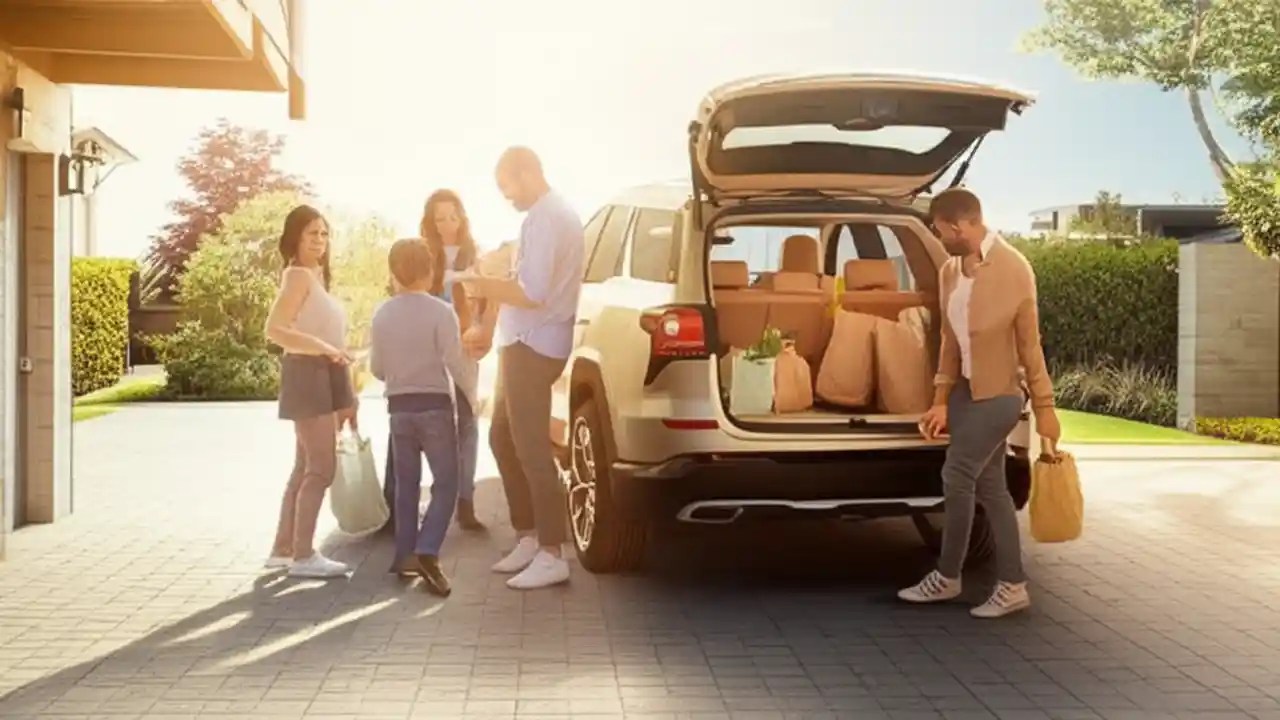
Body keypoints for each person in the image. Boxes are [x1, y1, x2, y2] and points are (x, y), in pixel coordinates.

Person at [899, 187, 1061, 618]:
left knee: (956, 475)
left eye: (940, 231)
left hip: (1000, 395)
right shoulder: (950, 270)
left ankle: (948, 577)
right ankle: (1012, 585)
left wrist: (1045, 408)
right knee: (991, 488)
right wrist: (940, 400)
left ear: (960, 226)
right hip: (965, 394)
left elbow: (1030, 345)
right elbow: (949, 343)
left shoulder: (1014, 268)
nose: (938, 238)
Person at [463, 146, 583, 590]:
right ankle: (530, 537)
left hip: (533, 347)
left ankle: (552, 553)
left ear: (528, 173)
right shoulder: (545, 216)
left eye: (507, 186)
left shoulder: (546, 218)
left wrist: (481, 284)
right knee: (502, 437)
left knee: (531, 449)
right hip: (521, 345)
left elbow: (532, 292)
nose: (506, 196)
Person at [370, 239, 479, 596]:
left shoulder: (381, 314)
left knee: (406, 485)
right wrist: (472, 397)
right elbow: (455, 362)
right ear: (430, 272)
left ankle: (405, 555)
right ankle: (428, 549)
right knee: (447, 481)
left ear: (393, 272)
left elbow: (377, 369)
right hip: (435, 406)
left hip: (398, 409)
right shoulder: (440, 312)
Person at [264, 204, 358, 579]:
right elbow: (275, 330)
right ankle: (303, 556)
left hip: (324, 373)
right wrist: (323, 348)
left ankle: (283, 550)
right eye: (312, 233)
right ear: (296, 238)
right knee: (322, 468)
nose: (320, 240)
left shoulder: (315, 278)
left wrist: (338, 358)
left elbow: (321, 332)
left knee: (304, 467)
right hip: (307, 374)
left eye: (324, 233)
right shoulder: (298, 276)